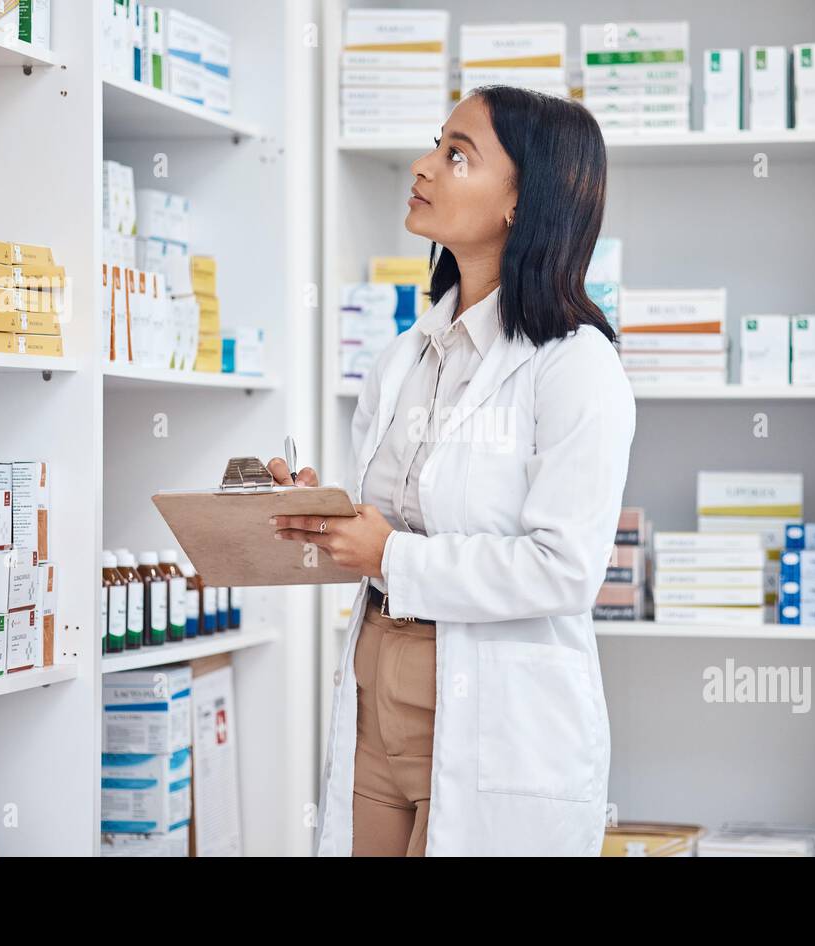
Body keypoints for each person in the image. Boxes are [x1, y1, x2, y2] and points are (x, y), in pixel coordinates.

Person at [269, 85, 636, 856]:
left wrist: (390, 556)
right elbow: (386, 528)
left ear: (521, 202)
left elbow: (564, 568)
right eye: (437, 145)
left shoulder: (576, 365)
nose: (423, 166)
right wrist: (323, 515)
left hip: (489, 710)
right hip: (378, 685)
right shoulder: (407, 353)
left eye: (456, 154)